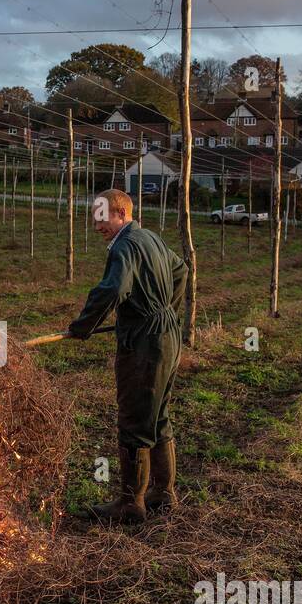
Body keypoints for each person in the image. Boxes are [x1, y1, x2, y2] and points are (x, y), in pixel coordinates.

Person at [67, 188, 187, 523]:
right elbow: (181, 272)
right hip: (167, 335)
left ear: (121, 213)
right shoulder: (150, 238)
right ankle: (163, 492)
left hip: (146, 343)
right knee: (157, 414)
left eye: (102, 217)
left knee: (135, 417)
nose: (97, 224)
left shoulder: (124, 246)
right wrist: (163, 311)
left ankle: (130, 503)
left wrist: (84, 325)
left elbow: (112, 289)